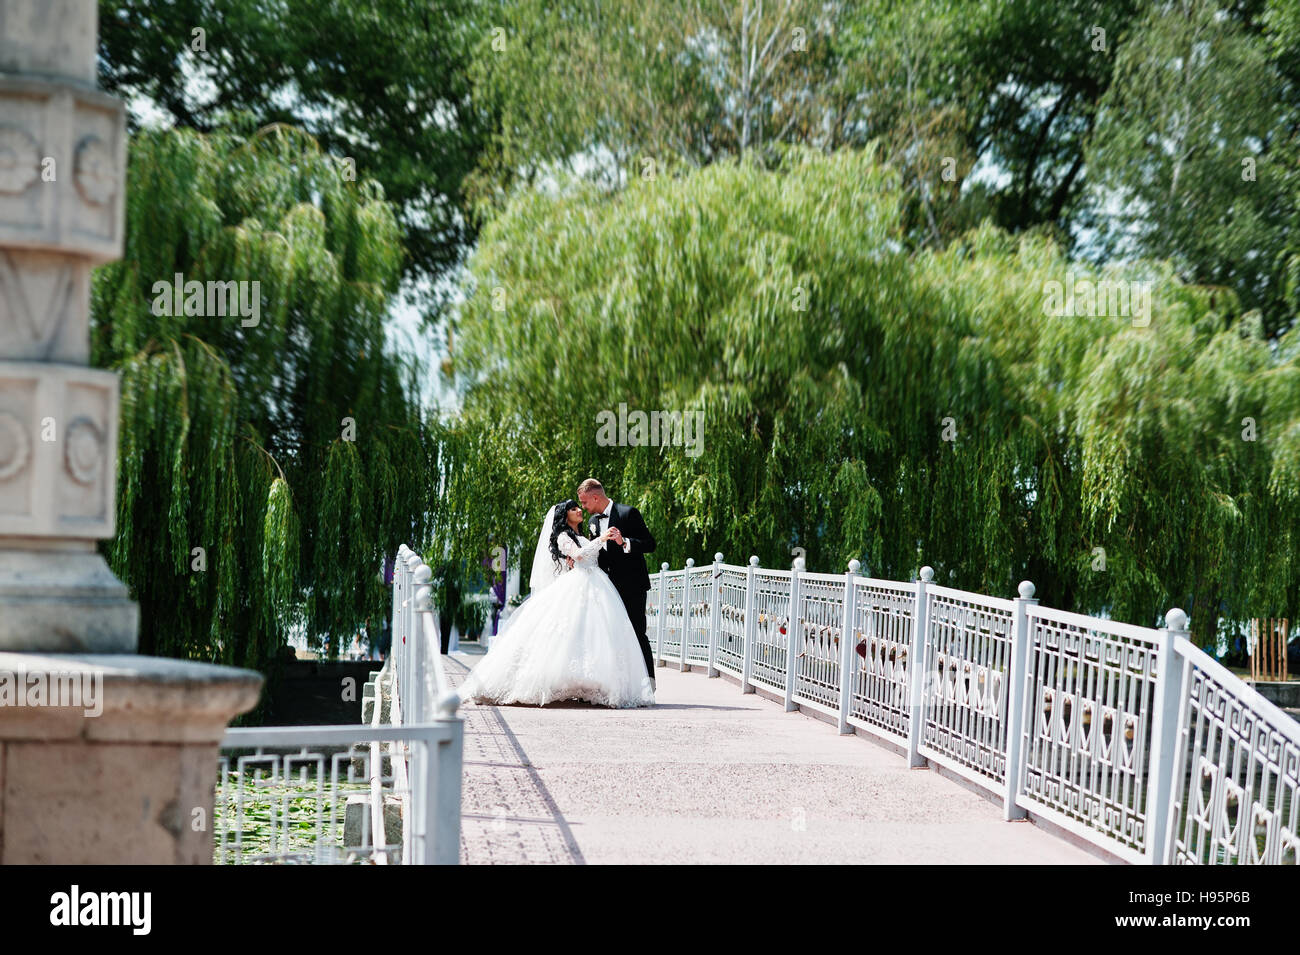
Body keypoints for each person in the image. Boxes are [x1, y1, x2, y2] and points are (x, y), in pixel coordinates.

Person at [456, 500, 654, 708]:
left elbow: (592, 556)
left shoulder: (583, 534)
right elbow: (578, 555)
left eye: (579, 506)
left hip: (597, 584)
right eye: (574, 508)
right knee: (566, 634)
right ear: (564, 515)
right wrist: (601, 539)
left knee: (593, 635)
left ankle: (588, 685)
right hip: (579, 585)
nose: (580, 510)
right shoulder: (562, 536)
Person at [576, 478, 657, 690]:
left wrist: (625, 542)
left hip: (632, 586)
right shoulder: (594, 522)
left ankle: (648, 683)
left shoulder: (628, 513)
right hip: (607, 588)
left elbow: (650, 544)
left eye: (584, 502)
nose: (583, 507)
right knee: (609, 634)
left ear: (595, 497)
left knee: (637, 632)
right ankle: (619, 684)